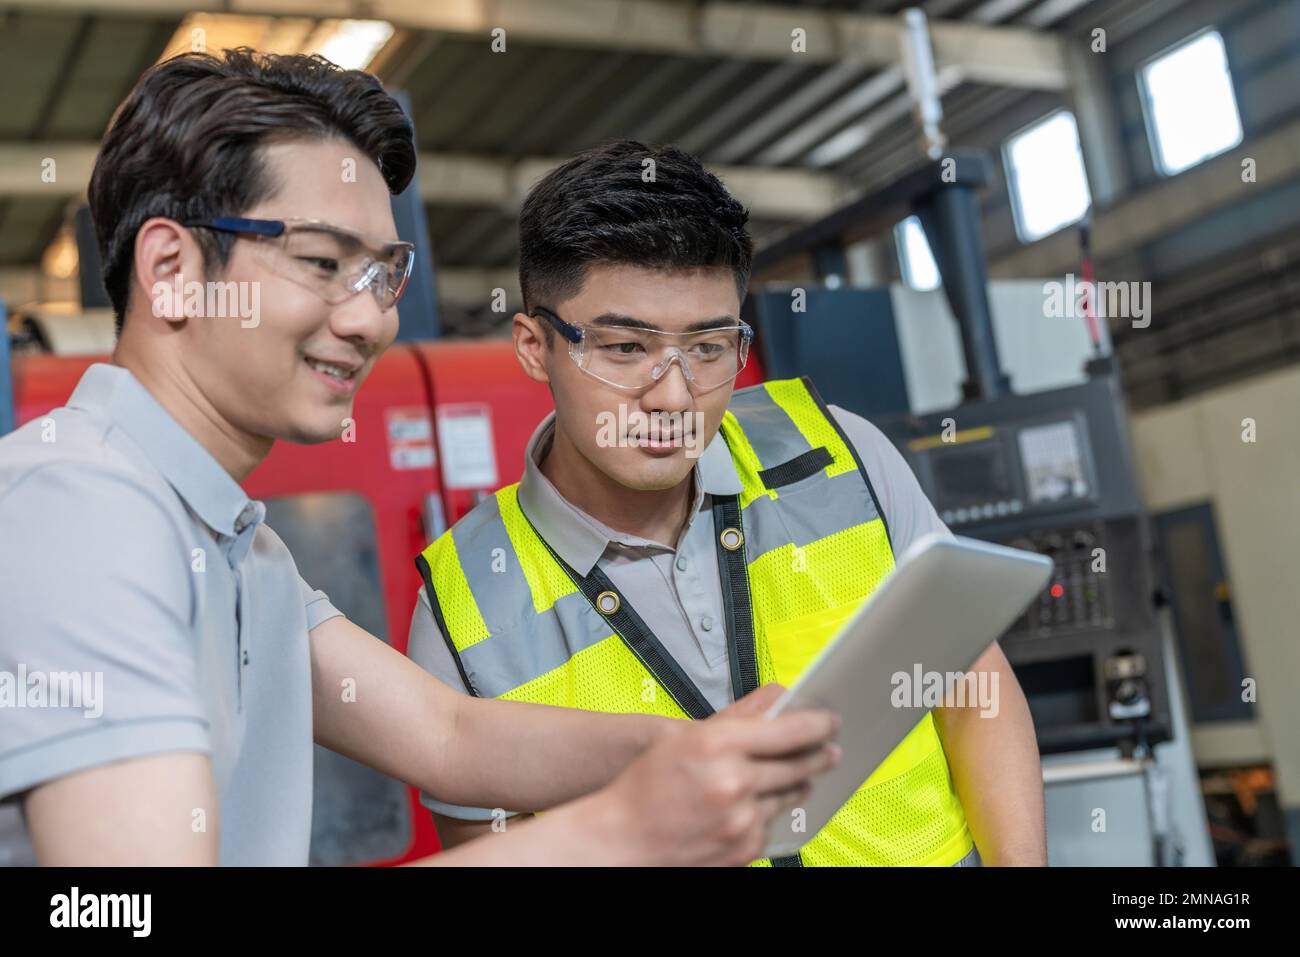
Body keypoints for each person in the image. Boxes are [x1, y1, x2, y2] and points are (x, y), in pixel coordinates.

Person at [0, 50, 841, 867]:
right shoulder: (76, 507)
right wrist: (625, 830)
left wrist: (704, 749)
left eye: (382, 275)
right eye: (324, 263)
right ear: (174, 269)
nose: (372, 322)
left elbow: (449, 735)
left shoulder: (240, 548)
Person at [409, 140, 1048, 866]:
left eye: (710, 346)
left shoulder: (841, 455)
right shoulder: (466, 611)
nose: (675, 395)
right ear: (533, 346)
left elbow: (971, 684)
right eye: (624, 348)